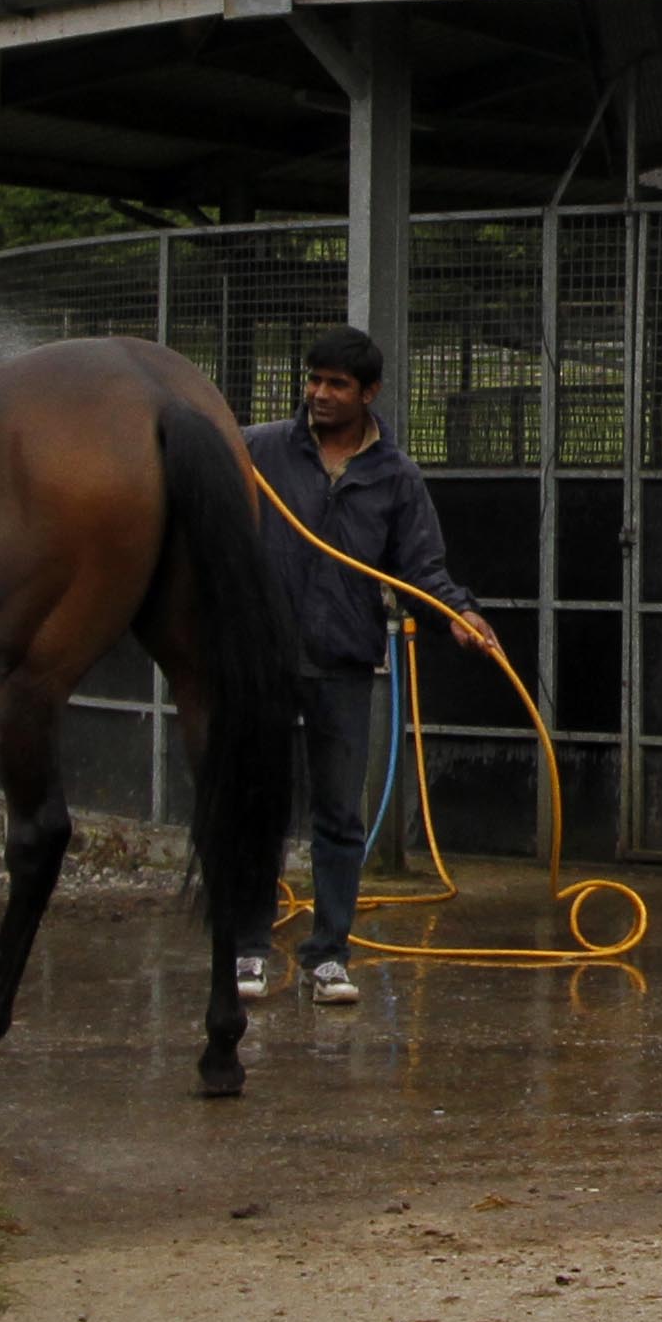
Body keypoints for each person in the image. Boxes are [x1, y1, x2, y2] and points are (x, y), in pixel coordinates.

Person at [243, 324, 500, 1011]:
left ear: (369, 393)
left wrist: (459, 613)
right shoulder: (260, 450)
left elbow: (422, 567)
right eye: (314, 380)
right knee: (258, 808)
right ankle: (248, 947)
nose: (320, 395)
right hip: (264, 658)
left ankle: (329, 954)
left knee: (337, 815)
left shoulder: (395, 474)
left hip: (343, 660)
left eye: (336, 385)